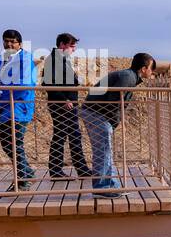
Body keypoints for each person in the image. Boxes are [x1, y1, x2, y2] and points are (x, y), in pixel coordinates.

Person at [81, 52, 155, 197]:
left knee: (105, 150)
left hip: (96, 113)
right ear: (144, 68)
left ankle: (110, 185)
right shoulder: (128, 77)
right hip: (96, 114)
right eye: (151, 68)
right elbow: (114, 101)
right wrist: (113, 122)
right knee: (103, 150)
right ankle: (101, 188)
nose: (152, 72)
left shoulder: (129, 76)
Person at [0, 29, 37, 192]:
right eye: (6, 41)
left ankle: (23, 180)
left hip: (17, 107)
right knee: (7, 145)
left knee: (15, 143)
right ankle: (27, 172)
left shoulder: (25, 60)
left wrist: (0, 99)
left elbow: (23, 85)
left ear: (20, 43)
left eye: (13, 41)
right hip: (0, 108)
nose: (9, 44)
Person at [40, 32, 91, 181]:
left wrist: (76, 80)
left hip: (68, 105)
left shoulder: (62, 59)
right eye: (72, 46)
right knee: (62, 136)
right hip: (62, 106)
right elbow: (48, 84)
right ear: (62, 45)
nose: (74, 49)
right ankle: (56, 171)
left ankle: (80, 169)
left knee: (72, 136)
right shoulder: (53, 59)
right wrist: (63, 100)